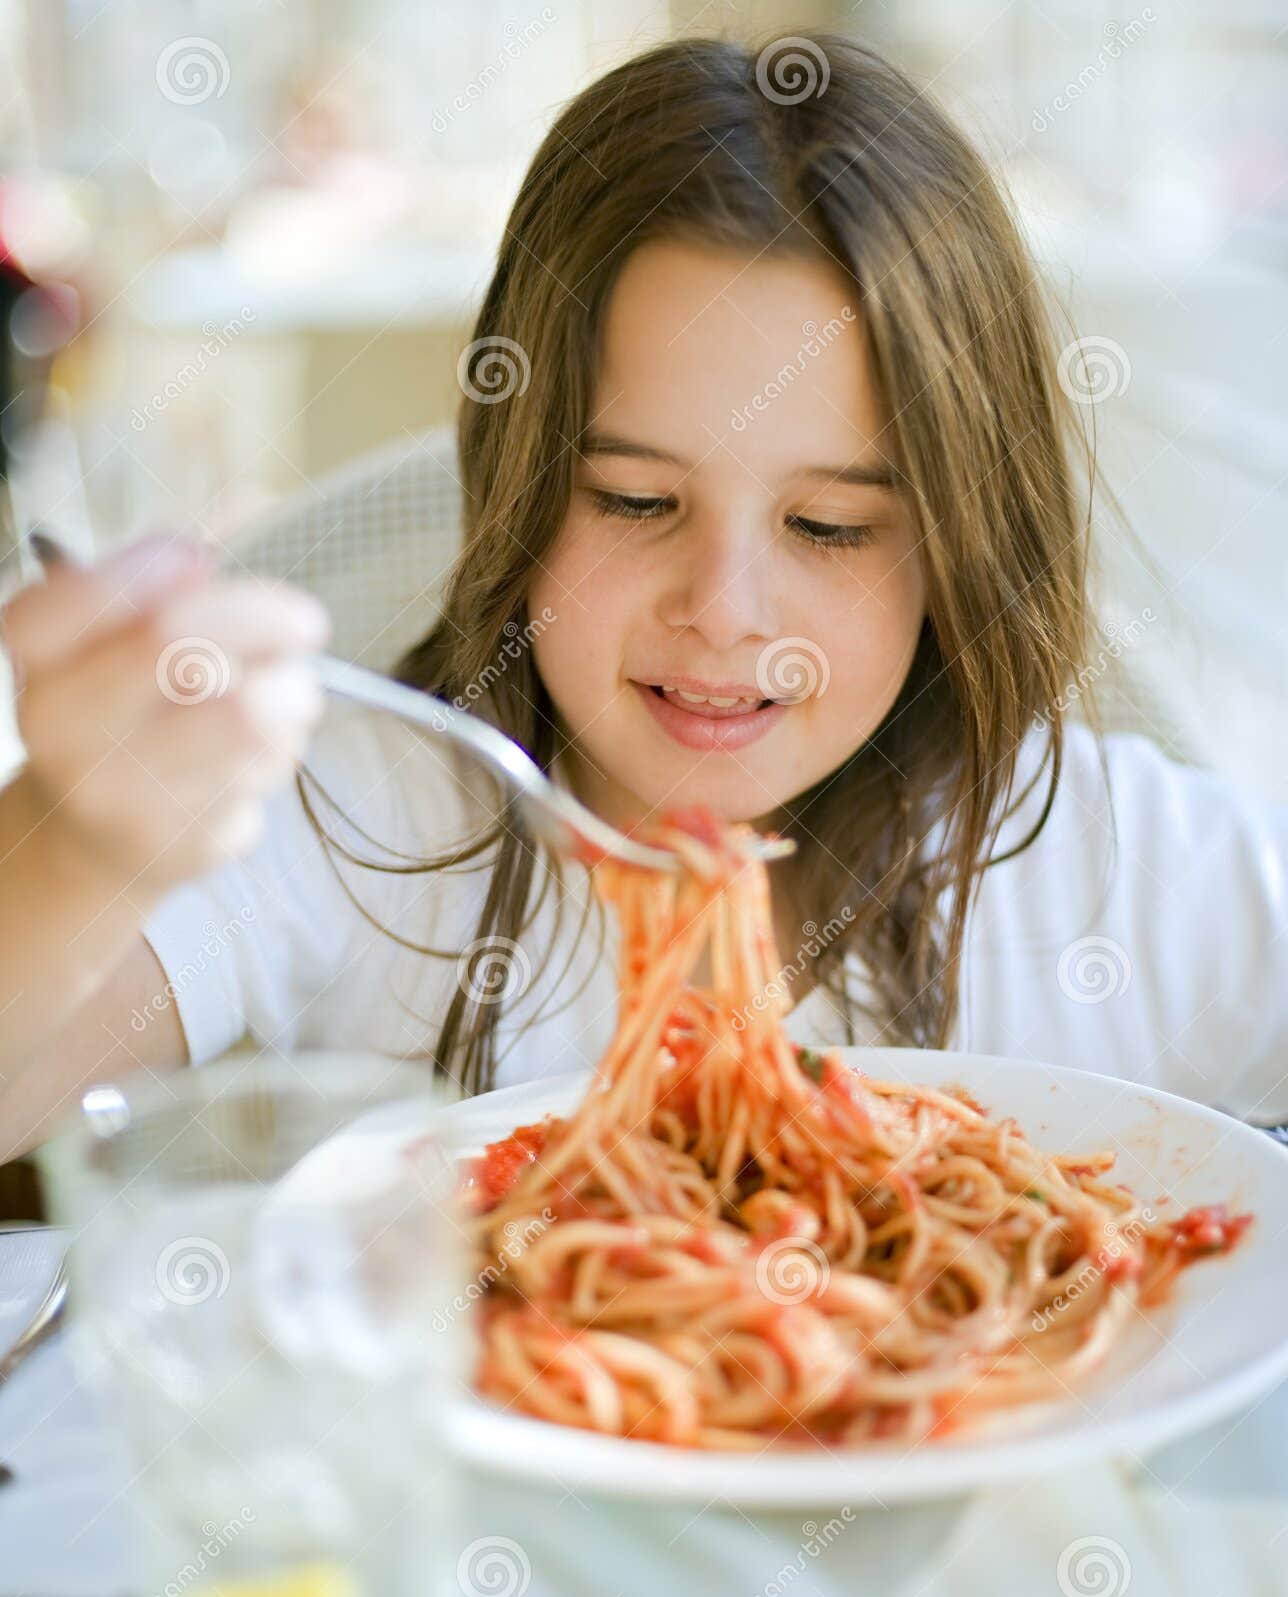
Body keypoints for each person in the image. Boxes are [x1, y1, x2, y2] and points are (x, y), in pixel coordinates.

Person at [1, 33, 1285, 1165]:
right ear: (517, 482)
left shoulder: (1119, 869)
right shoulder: (366, 818)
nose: (724, 609)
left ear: (961, 539)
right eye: (631, 499)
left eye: (829, 526)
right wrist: (77, 844)